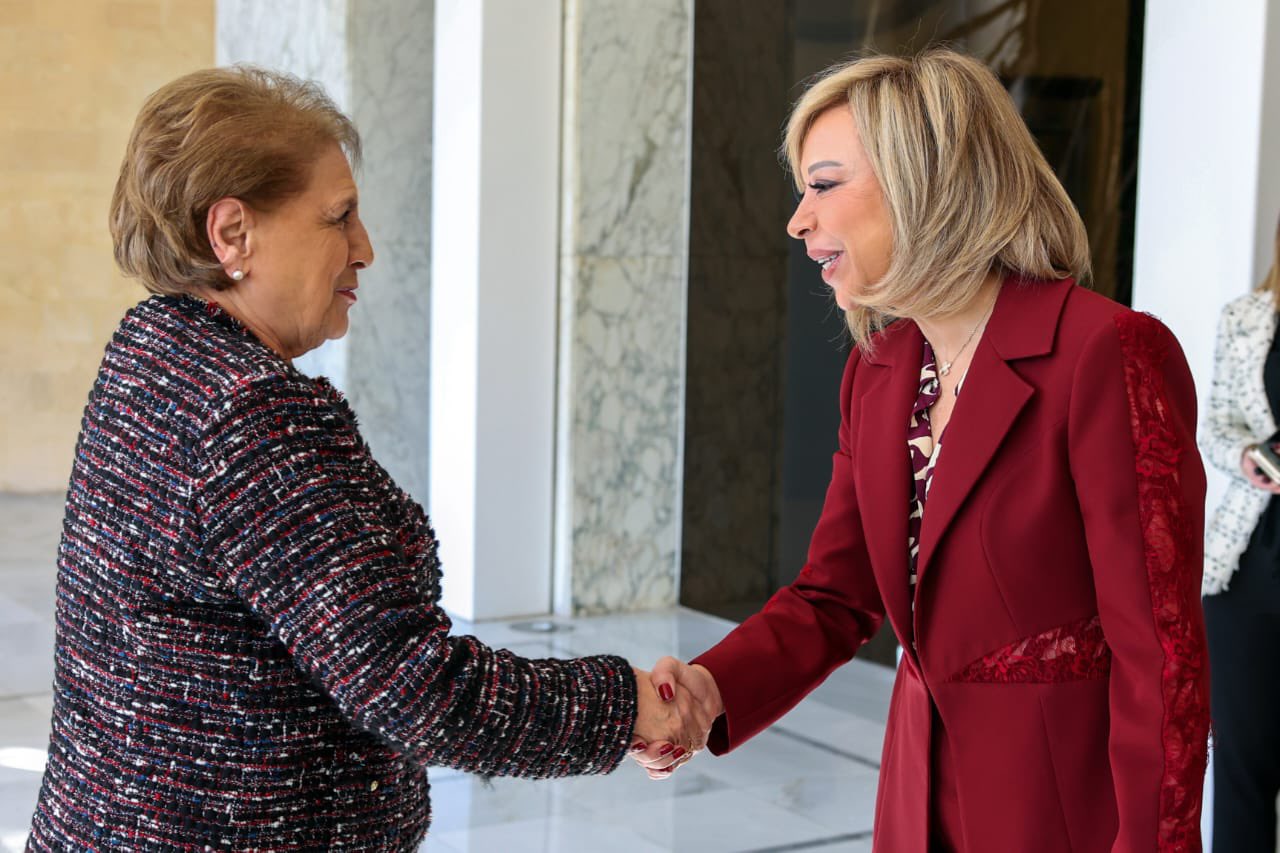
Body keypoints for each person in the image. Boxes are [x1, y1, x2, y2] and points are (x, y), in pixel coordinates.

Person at [25, 66, 713, 851]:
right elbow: (417, 689)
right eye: (338, 217)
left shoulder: (153, 347)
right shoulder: (249, 414)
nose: (366, 248)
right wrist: (625, 704)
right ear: (231, 234)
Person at [633, 48, 1210, 852]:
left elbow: (1164, 661)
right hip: (912, 807)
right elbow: (833, 598)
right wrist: (703, 690)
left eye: (824, 185)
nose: (799, 220)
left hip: (1061, 820)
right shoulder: (878, 373)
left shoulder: (1105, 352)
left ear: (924, 183)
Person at [1200, 213, 1280, 852]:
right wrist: (1248, 459)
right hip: (1247, 566)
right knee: (1241, 766)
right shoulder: (1245, 318)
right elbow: (1216, 427)